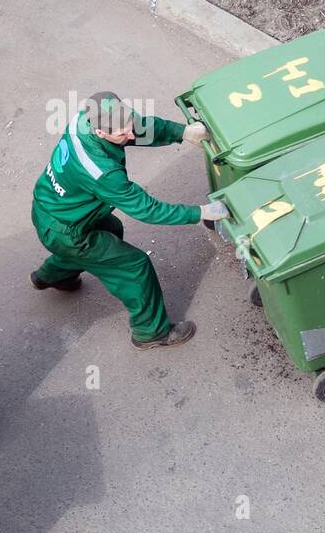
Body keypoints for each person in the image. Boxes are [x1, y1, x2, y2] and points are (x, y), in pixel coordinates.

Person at [29, 91, 229, 349]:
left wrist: (182, 132)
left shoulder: (88, 116)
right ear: (101, 133)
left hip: (52, 208)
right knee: (135, 266)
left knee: (112, 228)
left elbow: (140, 128)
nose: (131, 136)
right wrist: (199, 213)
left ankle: (52, 275)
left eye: (129, 125)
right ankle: (151, 332)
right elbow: (147, 209)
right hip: (66, 231)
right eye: (123, 134)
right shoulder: (101, 171)